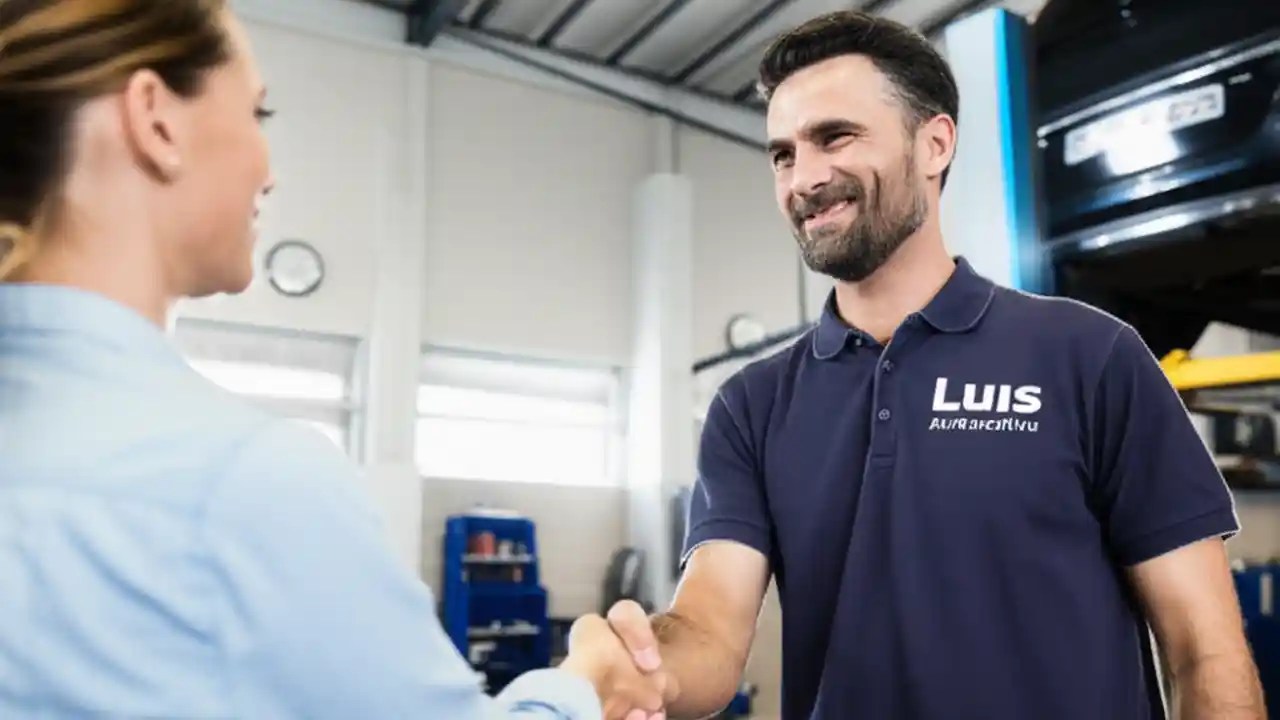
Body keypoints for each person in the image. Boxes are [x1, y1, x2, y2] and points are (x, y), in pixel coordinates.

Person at [0, 2, 665, 719]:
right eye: (260, 113)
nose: (270, 173)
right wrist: (582, 683)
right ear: (156, 120)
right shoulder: (240, 484)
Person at [602, 10, 1265, 720]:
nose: (805, 178)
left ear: (935, 144)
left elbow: (1205, 651)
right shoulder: (751, 406)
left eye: (836, 137)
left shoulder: (1090, 357)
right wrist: (645, 666)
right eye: (783, 153)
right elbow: (709, 626)